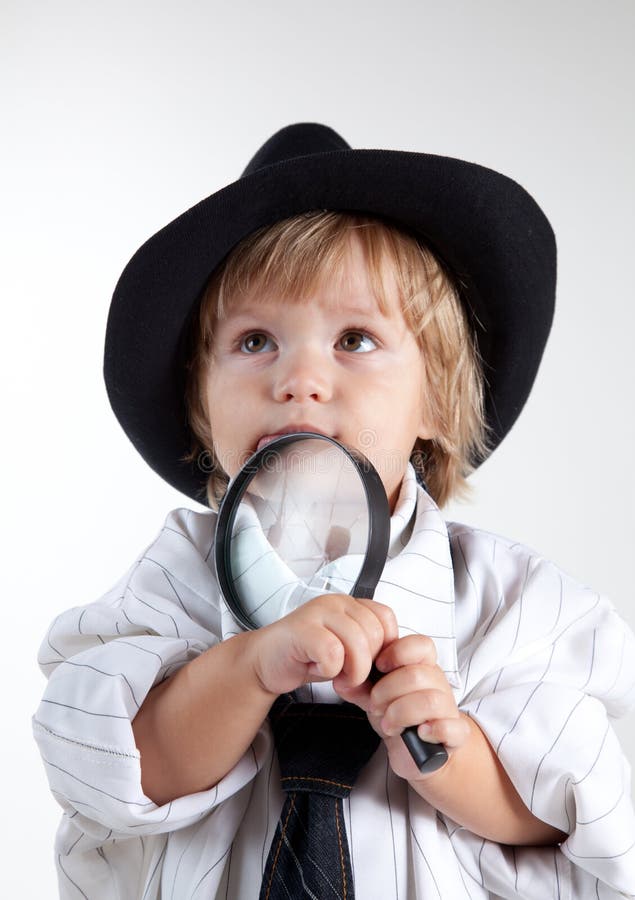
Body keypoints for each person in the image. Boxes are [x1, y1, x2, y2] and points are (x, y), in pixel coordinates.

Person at [34, 123, 635, 899]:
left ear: (435, 400)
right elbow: (110, 765)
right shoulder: (171, 582)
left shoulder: (517, 608)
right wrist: (249, 667)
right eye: (255, 342)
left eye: (353, 339)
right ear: (201, 407)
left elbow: (573, 809)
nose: (299, 378)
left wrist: (448, 753)